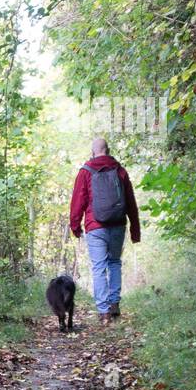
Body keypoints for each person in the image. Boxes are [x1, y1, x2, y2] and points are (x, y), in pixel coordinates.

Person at [69, 136, 141, 324]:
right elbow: (131, 202)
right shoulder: (120, 171)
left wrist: (75, 226)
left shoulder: (85, 172)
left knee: (99, 267)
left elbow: (78, 201)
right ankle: (115, 303)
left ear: (93, 152)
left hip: (95, 227)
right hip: (118, 224)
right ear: (108, 150)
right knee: (115, 262)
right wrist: (135, 230)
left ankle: (103, 312)